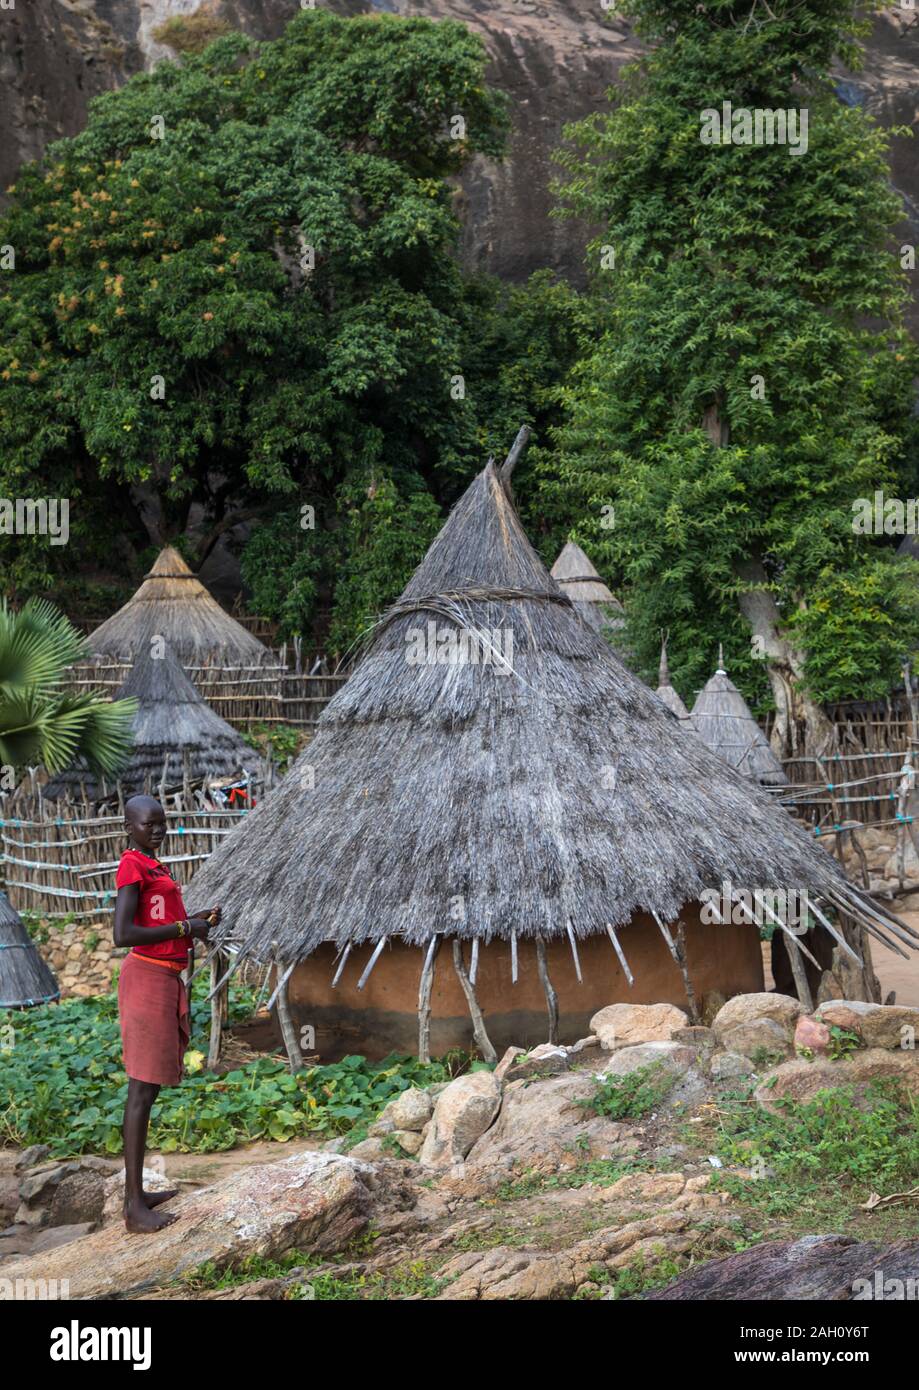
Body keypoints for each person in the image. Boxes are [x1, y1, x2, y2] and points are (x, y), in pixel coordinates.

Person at [113, 794, 221, 1233]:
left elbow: (159, 922)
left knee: (150, 1088)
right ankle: (134, 1209)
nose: (156, 829)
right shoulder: (132, 866)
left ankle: (137, 1195)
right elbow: (124, 933)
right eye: (147, 824)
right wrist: (182, 928)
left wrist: (194, 921)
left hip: (163, 979)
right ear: (130, 828)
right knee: (140, 1090)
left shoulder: (154, 866)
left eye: (161, 822)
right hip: (146, 979)